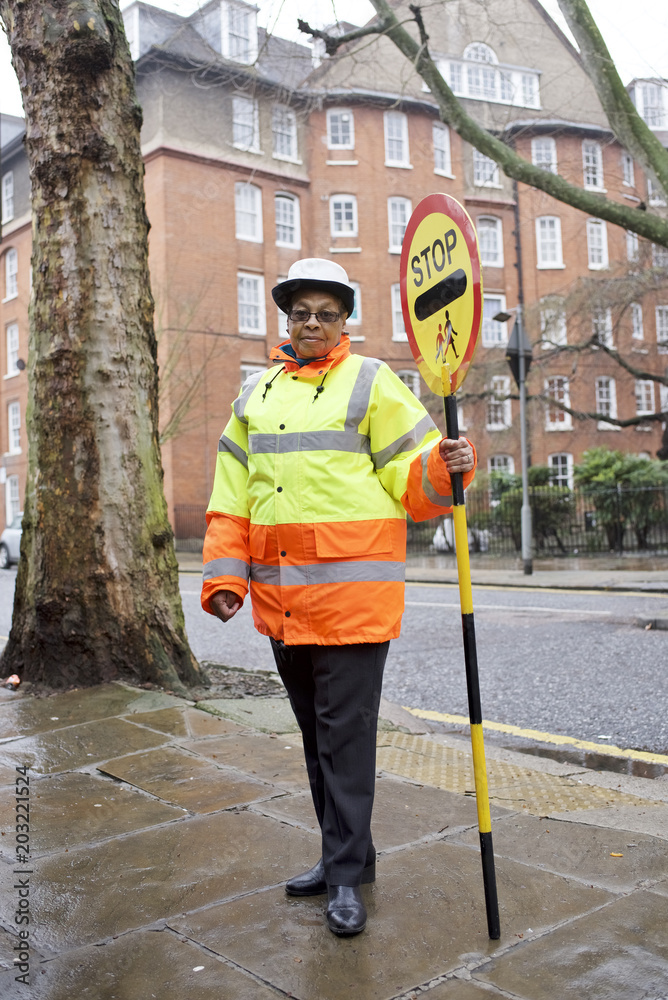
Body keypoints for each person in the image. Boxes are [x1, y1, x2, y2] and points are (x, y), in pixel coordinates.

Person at [201, 258, 476, 937]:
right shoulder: (256, 395)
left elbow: (415, 478)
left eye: (327, 313)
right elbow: (230, 497)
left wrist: (444, 467)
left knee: (345, 744)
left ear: (344, 320)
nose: (313, 323)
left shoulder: (371, 382)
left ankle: (346, 876)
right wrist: (225, 578)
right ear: (287, 321)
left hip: (353, 605)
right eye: (302, 314)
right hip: (282, 606)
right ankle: (346, 856)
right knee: (316, 742)